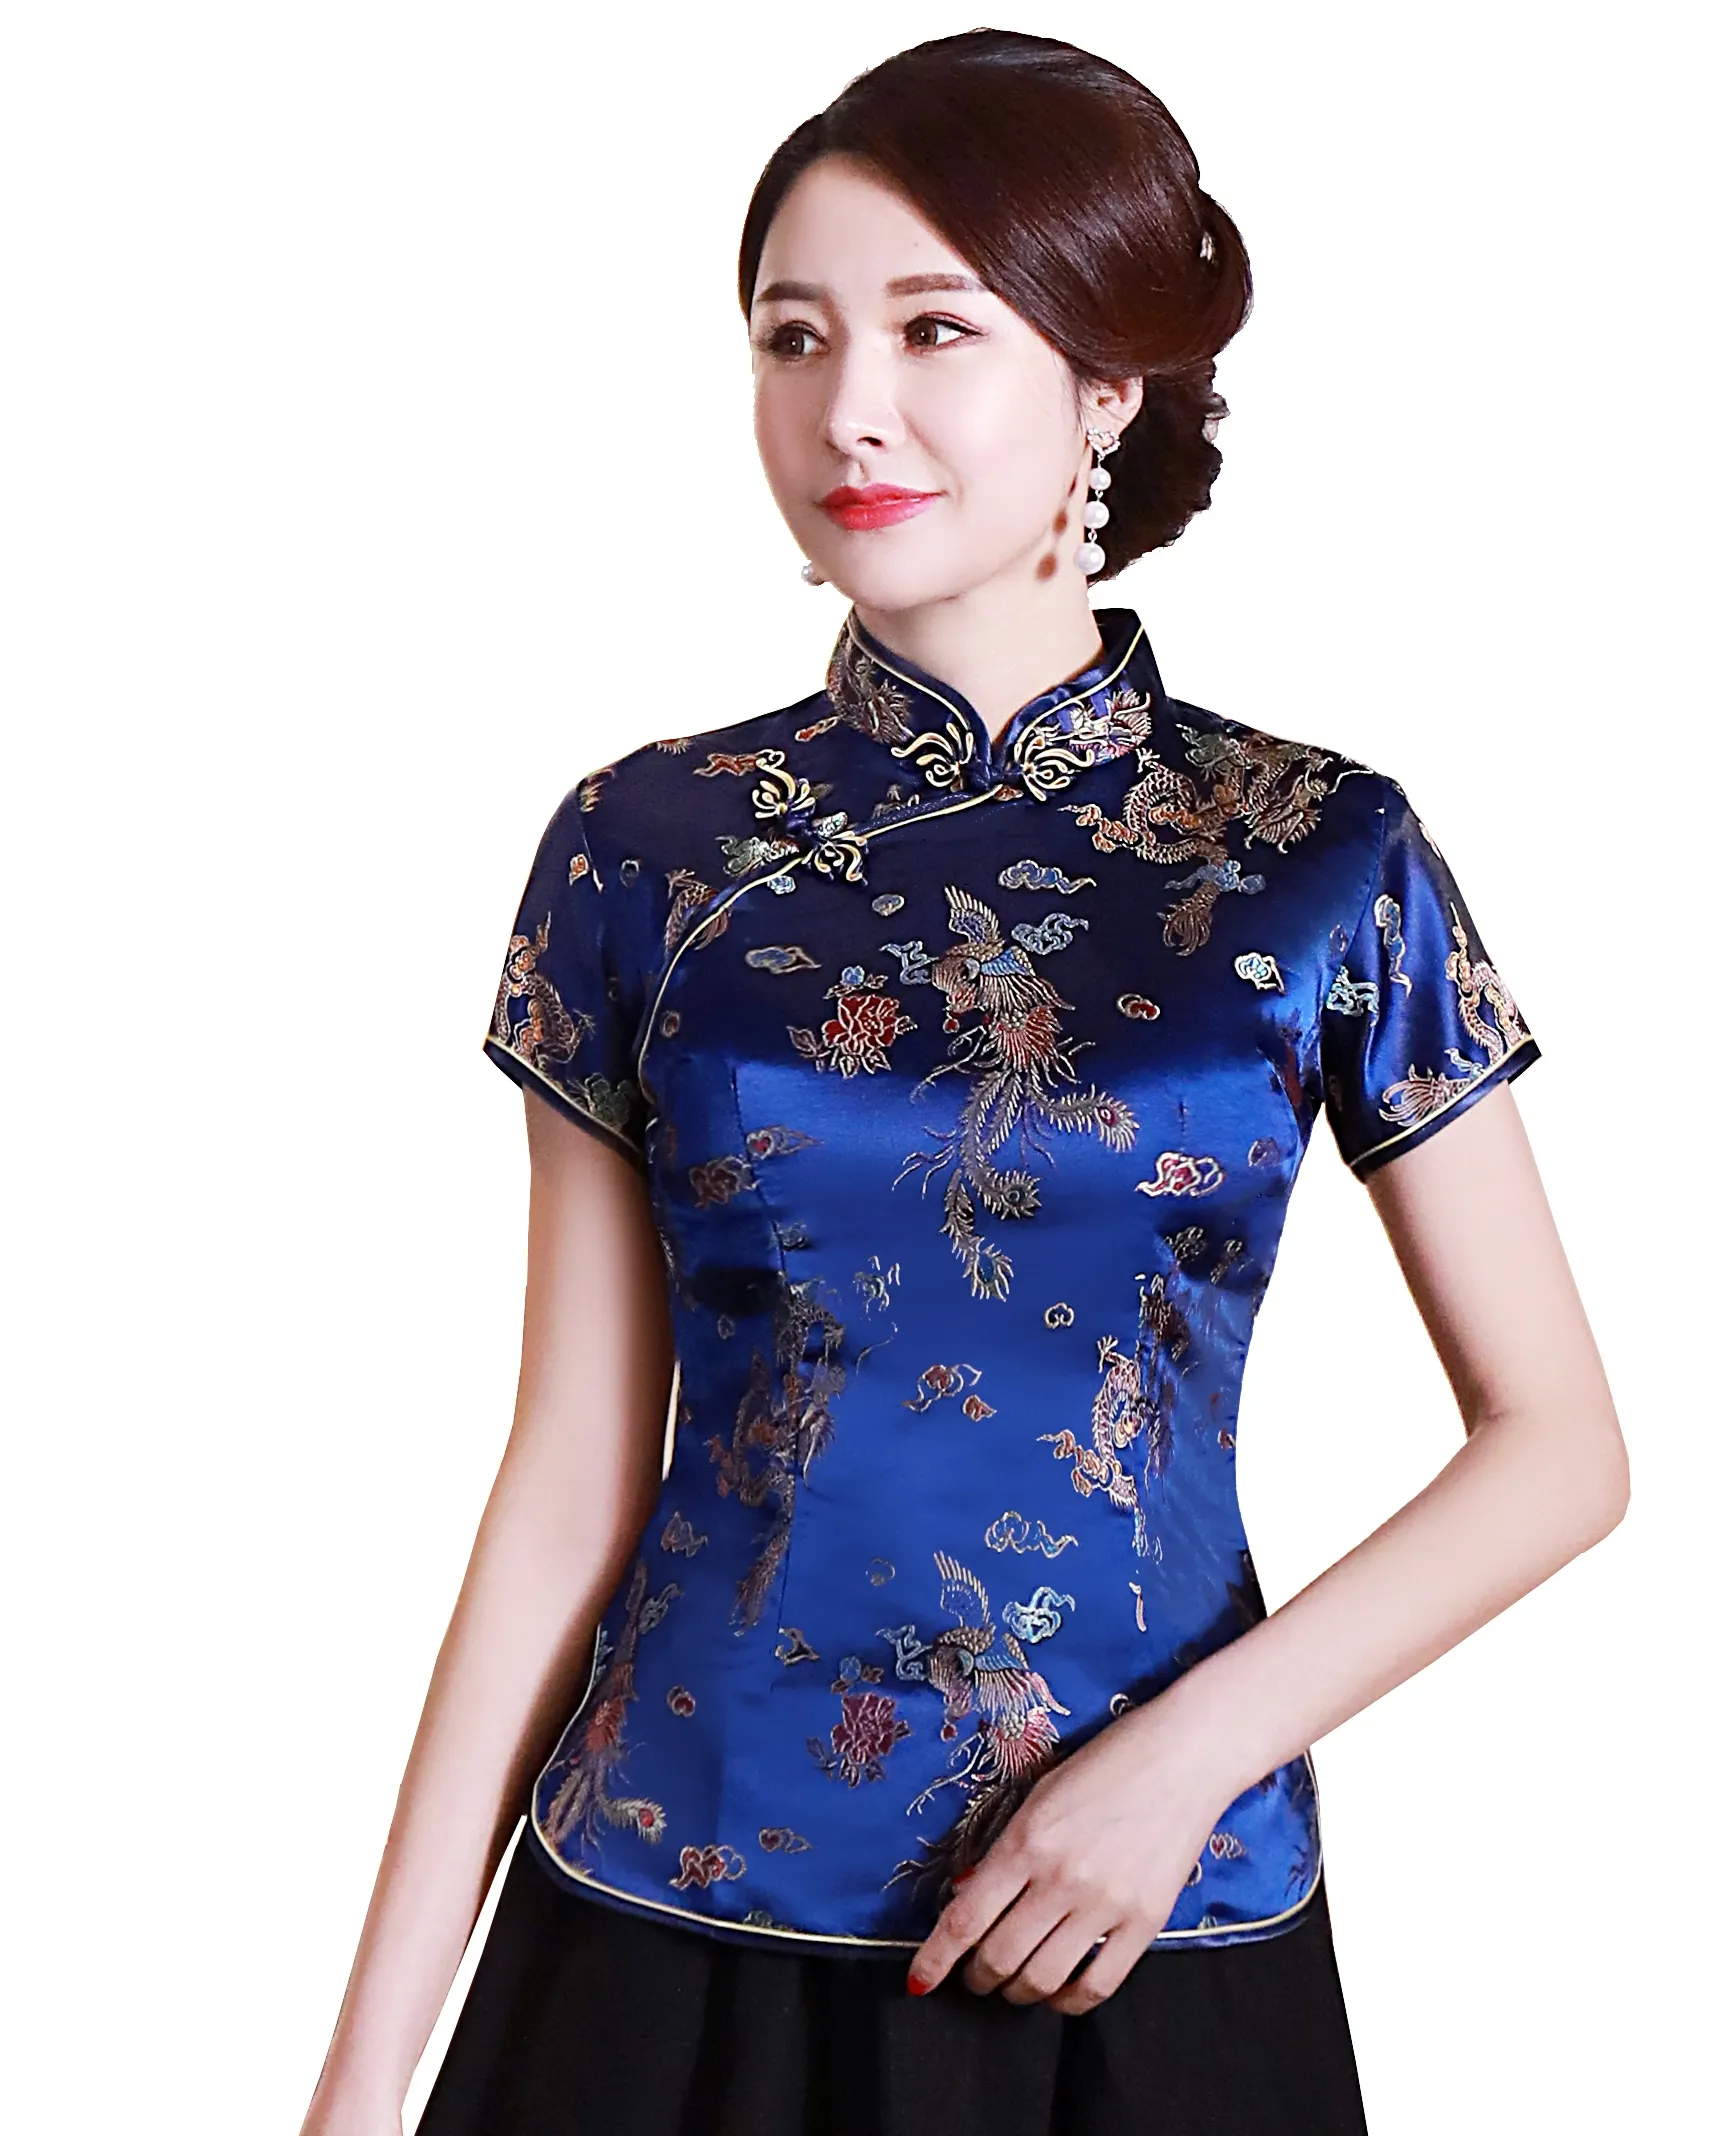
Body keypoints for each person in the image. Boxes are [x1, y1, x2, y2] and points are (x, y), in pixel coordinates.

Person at [300, 29, 1629, 2136]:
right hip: (662, 1913)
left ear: (1106, 382)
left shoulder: (1311, 851)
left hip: (1144, 1921)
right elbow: (566, 1479)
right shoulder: (645, 846)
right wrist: (363, 2070)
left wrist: (1184, 1765)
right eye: (792, 335)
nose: (849, 406)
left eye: (936, 329)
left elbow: (1556, 1445)